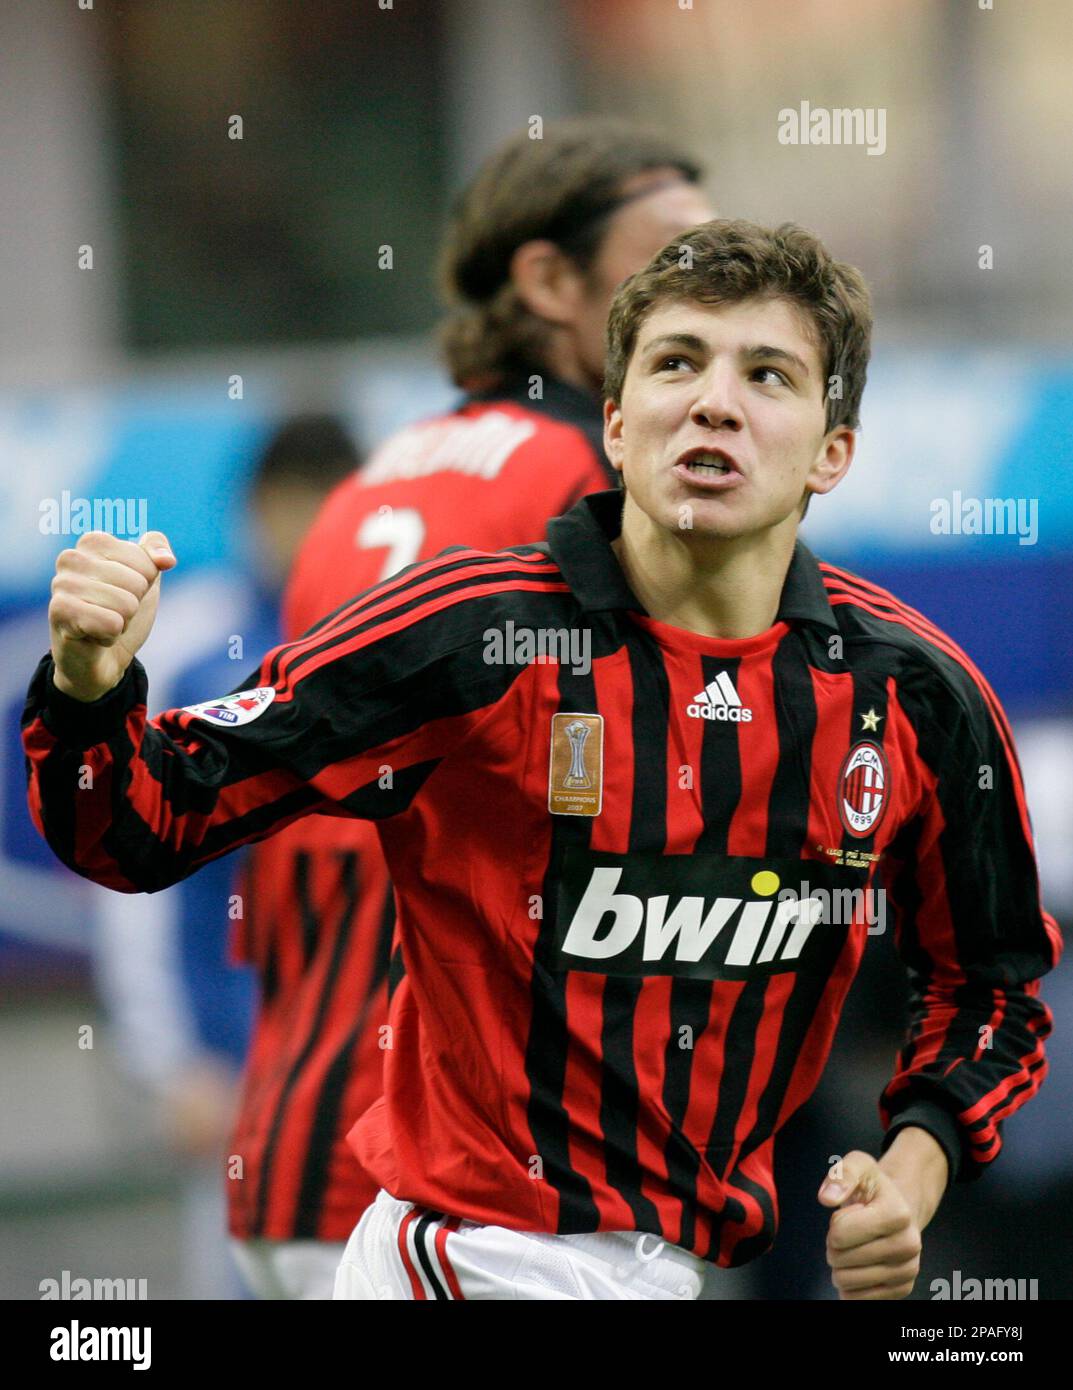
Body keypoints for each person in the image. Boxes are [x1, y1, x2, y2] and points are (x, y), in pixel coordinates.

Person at [24, 219, 1060, 1301]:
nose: (713, 401)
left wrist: (911, 1169)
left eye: (766, 374)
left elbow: (990, 981)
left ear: (831, 449)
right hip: (471, 1256)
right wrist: (90, 688)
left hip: (672, 1272)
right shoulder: (468, 634)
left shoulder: (912, 693)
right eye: (675, 363)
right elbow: (139, 822)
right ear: (614, 425)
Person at [223, 117, 713, 1298]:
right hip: (468, 1198)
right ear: (548, 279)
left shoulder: (370, 484)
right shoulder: (598, 493)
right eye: (677, 264)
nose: (713, 304)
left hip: (299, 1147)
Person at [89, 415, 360, 1298]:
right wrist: (173, 1062)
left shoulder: (393, 644)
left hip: (374, 1083)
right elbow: (132, 874)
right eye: (295, 506)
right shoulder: (190, 651)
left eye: (333, 504)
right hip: (237, 1077)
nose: (312, 528)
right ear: (256, 510)